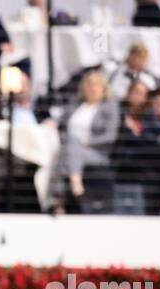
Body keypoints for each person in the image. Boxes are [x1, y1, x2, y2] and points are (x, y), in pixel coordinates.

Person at [53, 69, 119, 208]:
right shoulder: (76, 104)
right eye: (89, 83)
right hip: (70, 148)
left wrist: (88, 142)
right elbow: (60, 122)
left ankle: (61, 199)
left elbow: (110, 136)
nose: (92, 87)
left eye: (96, 84)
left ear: (103, 88)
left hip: (95, 152)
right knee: (69, 146)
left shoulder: (110, 107)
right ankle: (73, 188)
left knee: (69, 149)